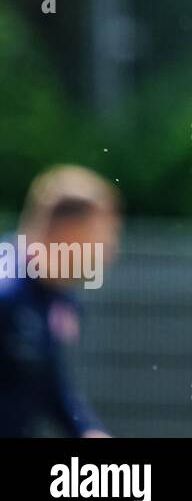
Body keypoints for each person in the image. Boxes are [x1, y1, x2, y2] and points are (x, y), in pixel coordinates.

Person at [0, 165, 121, 437]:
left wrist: (87, 430)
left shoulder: (58, 296)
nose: (111, 250)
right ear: (69, 233)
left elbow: (47, 382)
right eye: (103, 236)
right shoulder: (6, 292)